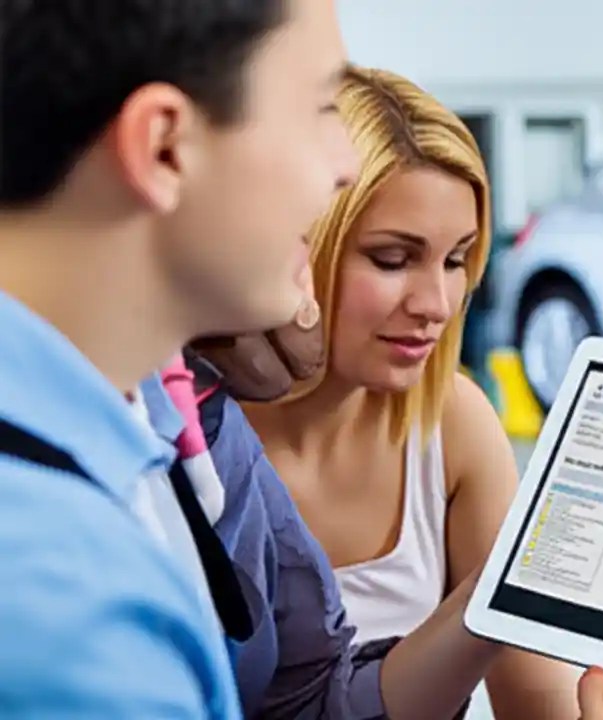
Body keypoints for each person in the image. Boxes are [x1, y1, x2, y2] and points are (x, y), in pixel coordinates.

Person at [187, 65, 579, 719]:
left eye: (456, 259)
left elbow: (540, 706)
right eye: (393, 259)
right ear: (297, 246)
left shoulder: (453, 425)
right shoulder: (192, 440)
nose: (435, 304)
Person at [0, 0, 355, 716]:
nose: (346, 165)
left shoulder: (136, 416)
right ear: (165, 147)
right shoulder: (72, 618)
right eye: (321, 108)